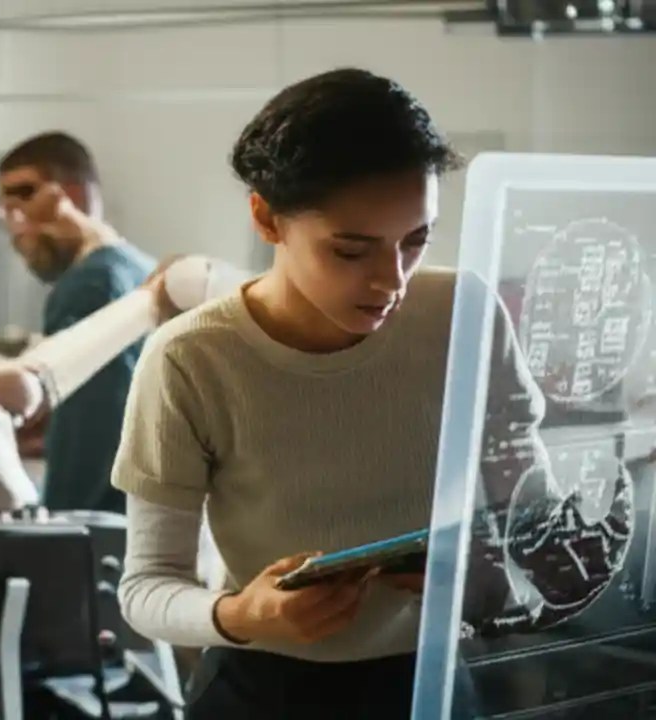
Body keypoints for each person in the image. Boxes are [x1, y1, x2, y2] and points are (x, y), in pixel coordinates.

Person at [113, 68, 595, 718]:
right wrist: (241, 614)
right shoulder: (190, 359)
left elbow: (531, 526)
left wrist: (484, 578)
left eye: (416, 240)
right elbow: (146, 588)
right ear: (265, 216)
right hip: (262, 689)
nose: (390, 280)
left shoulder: (465, 313)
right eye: (350, 250)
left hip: (433, 684)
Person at [0, 132, 156, 513]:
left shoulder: (90, 285)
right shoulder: (141, 270)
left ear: (73, 196)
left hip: (104, 530)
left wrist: (61, 532)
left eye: (25, 196)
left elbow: (89, 442)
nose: (15, 227)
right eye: (5, 208)